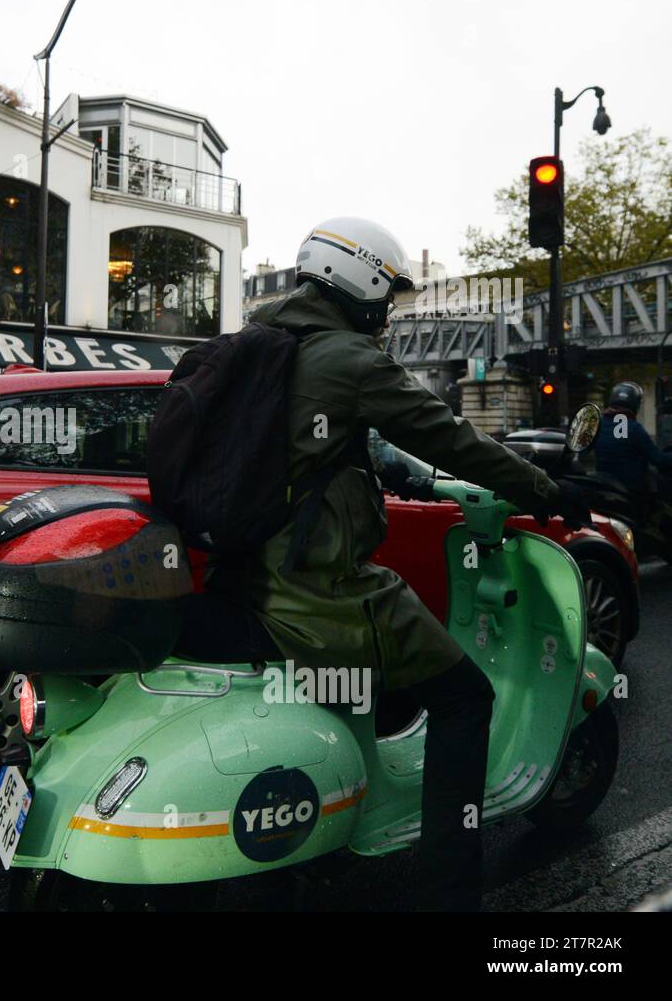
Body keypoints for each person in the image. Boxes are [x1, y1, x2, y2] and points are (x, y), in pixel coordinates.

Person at [210, 217, 588, 912]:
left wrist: (408, 479)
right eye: (386, 293)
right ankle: (449, 890)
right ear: (361, 282)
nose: (387, 310)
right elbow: (449, 433)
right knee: (464, 695)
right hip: (315, 590)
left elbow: (342, 447)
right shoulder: (350, 359)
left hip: (239, 577)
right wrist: (545, 487)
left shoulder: (257, 344)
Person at [593, 381, 672, 508]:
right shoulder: (634, 428)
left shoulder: (598, 425)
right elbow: (658, 460)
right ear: (635, 404)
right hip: (631, 489)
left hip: (603, 483)